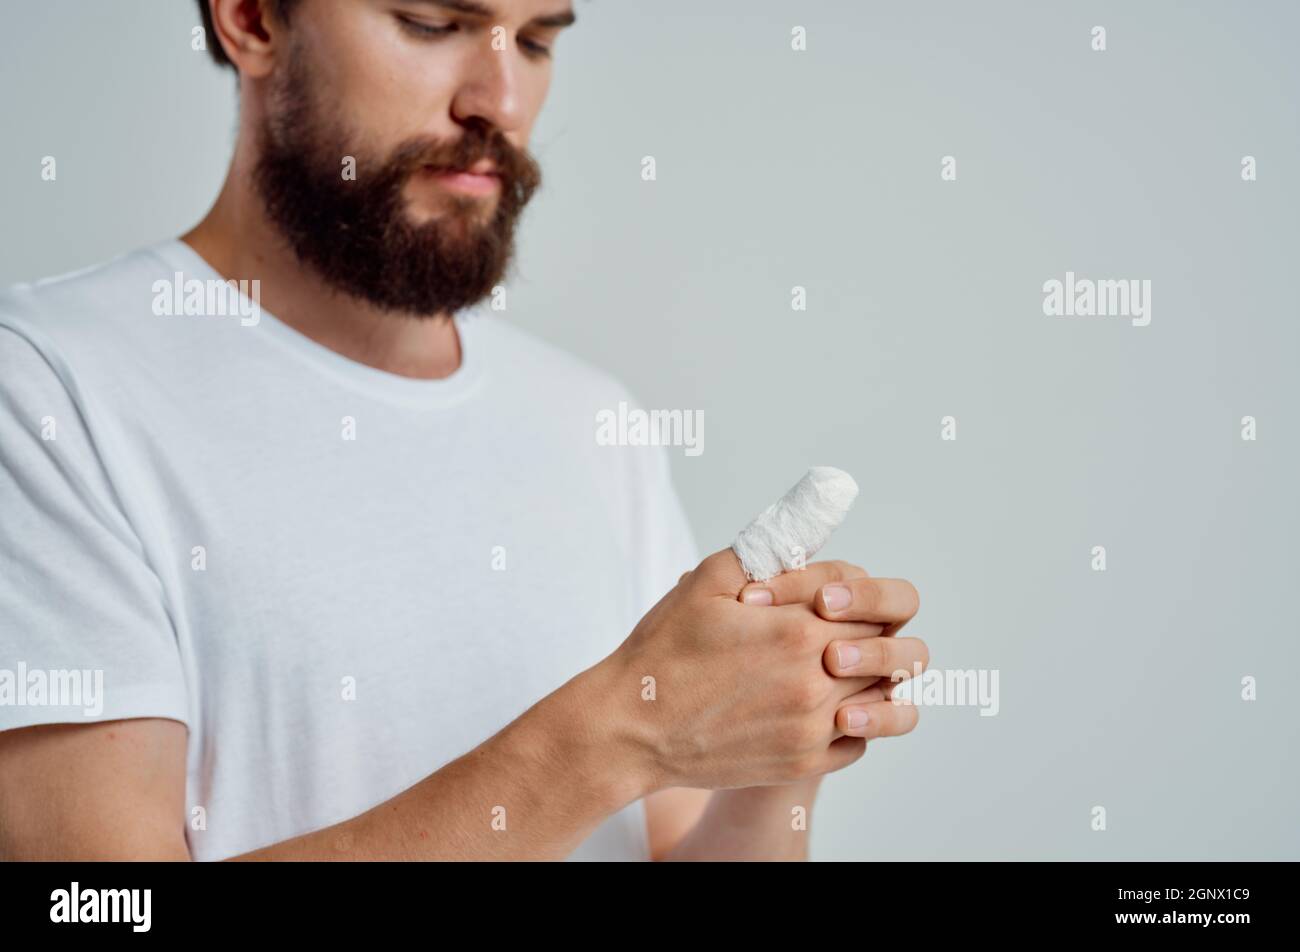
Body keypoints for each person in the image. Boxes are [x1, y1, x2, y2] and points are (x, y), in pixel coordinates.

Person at [0, 0, 926, 861]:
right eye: (434, 21)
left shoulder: (591, 420)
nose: (504, 101)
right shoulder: (47, 389)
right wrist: (621, 731)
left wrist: (776, 756)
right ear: (249, 20)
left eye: (535, 40)